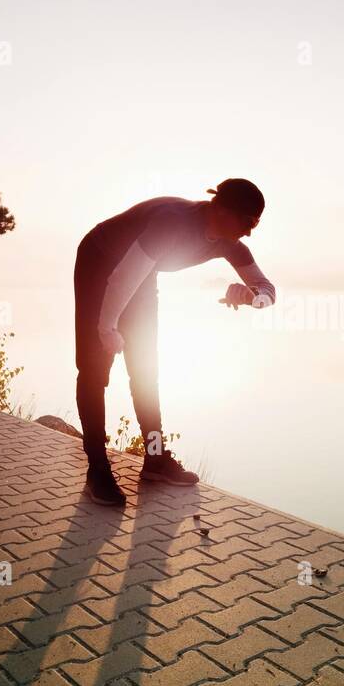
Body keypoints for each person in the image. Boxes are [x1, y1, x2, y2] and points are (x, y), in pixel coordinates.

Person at [73, 178, 275, 505]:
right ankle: (97, 469)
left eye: (256, 224)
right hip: (100, 259)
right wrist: (108, 328)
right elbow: (121, 277)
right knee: (95, 370)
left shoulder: (228, 242)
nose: (251, 232)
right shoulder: (172, 222)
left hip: (141, 273)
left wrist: (254, 298)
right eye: (248, 222)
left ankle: (155, 459)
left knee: (145, 371)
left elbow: (266, 287)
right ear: (222, 210)